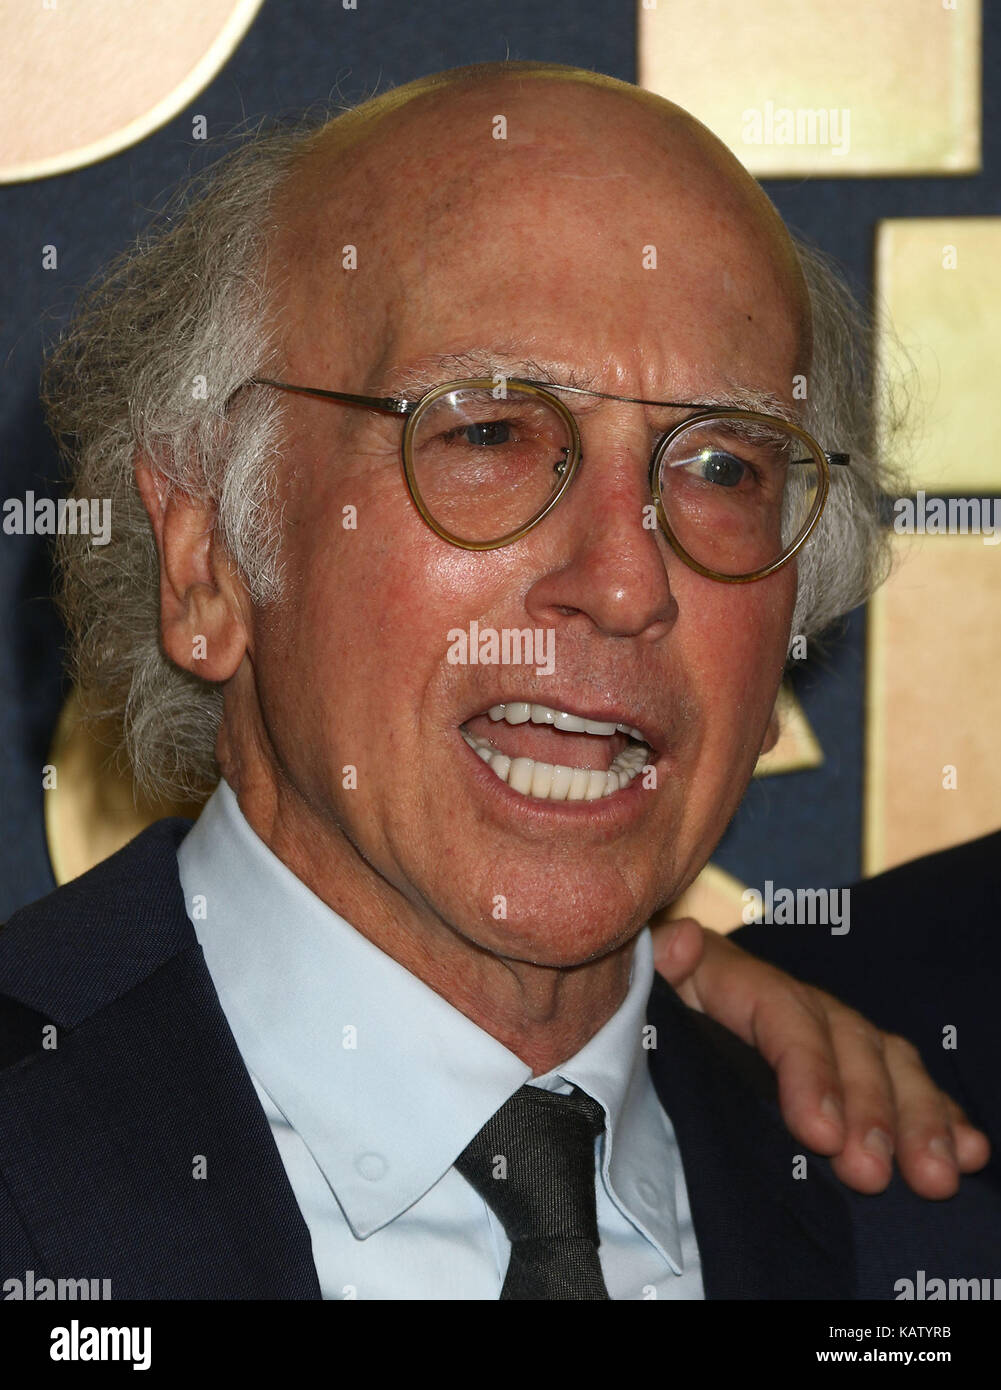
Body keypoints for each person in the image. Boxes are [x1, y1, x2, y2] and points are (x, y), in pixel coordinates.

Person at [0, 61, 995, 1300]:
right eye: (487, 432)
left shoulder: (914, 1218)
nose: (628, 582)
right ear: (206, 558)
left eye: (722, 466)